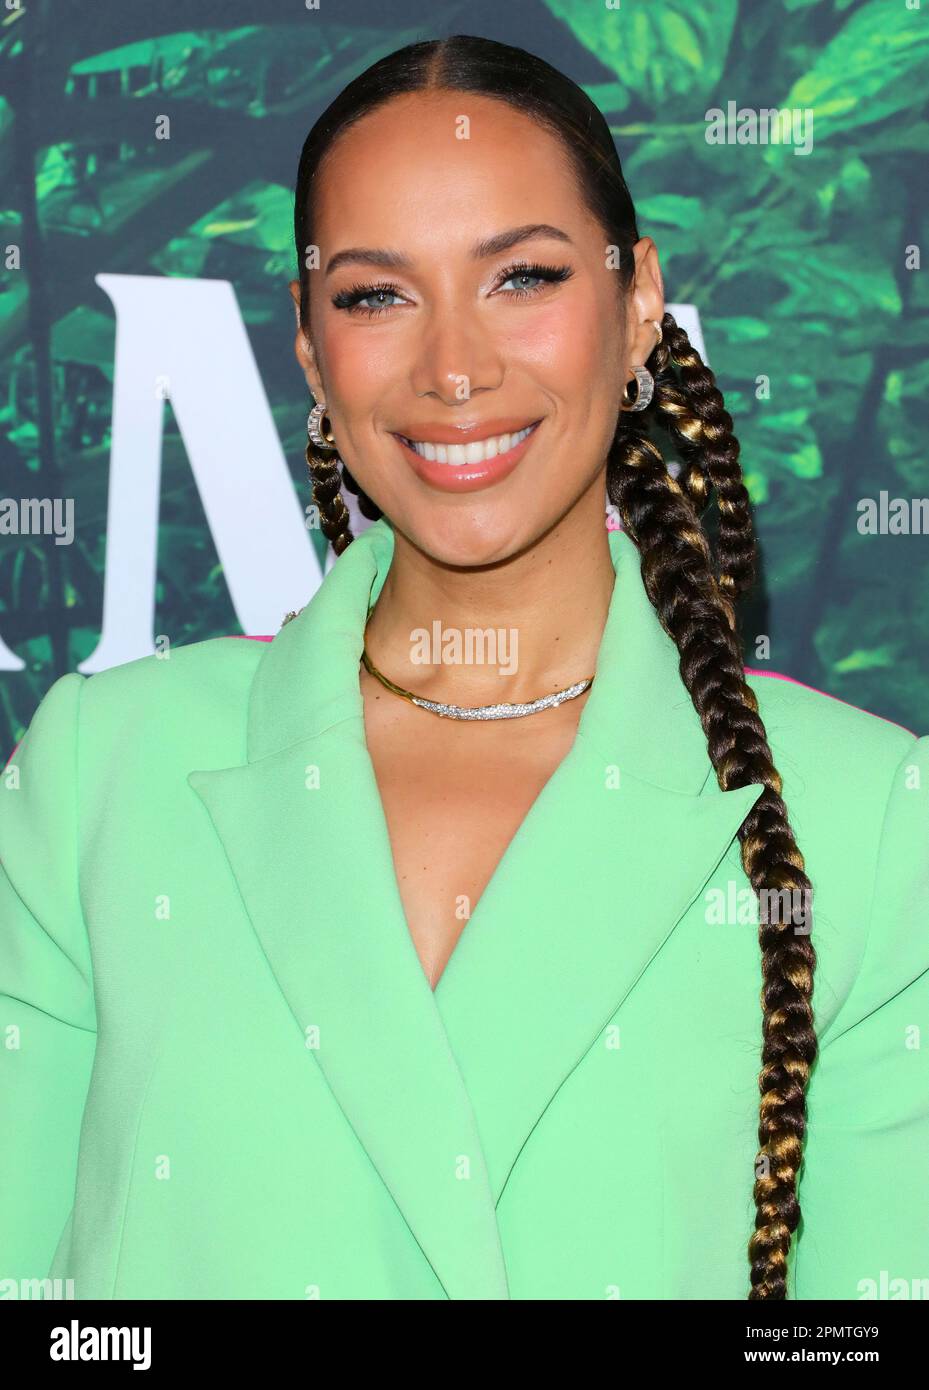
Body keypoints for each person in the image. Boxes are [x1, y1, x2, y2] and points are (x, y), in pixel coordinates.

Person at [1, 35, 927, 1303]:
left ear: (638, 300)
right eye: (377, 295)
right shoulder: (99, 772)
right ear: (311, 347)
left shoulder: (871, 824)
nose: (453, 369)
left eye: (522, 277)